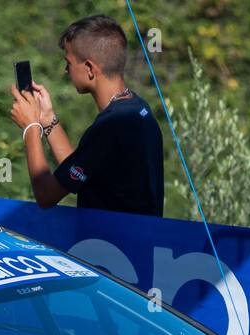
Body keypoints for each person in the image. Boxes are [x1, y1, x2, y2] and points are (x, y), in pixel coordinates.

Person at [9, 14, 164, 216]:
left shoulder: (110, 126)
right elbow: (80, 170)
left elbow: (46, 195)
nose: (66, 70)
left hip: (111, 245)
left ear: (90, 68)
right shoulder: (137, 109)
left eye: (69, 63)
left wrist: (31, 128)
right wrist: (48, 120)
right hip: (137, 242)